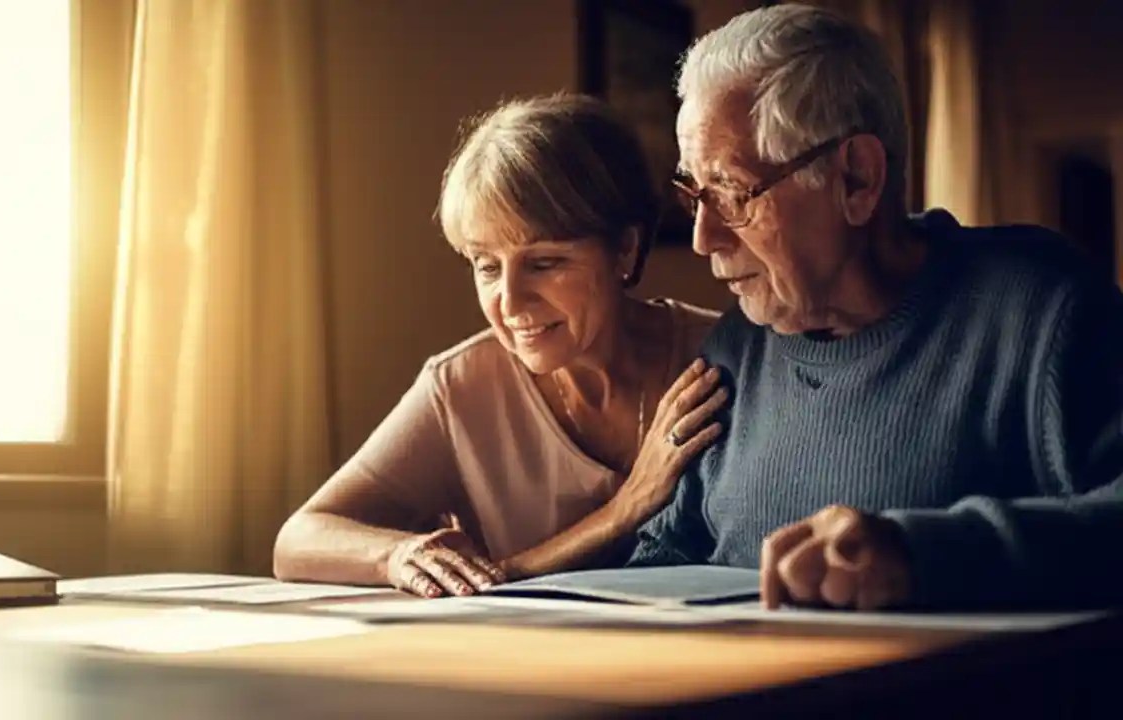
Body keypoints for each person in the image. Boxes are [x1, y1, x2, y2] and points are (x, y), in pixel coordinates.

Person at [631, 4, 1123, 611]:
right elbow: (658, 567)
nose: (704, 238)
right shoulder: (733, 353)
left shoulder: (1043, 310)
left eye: (732, 193)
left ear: (857, 179)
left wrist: (922, 553)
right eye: (693, 196)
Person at [274, 94, 727, 597]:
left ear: (624, 248)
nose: (509, 301)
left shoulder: (724, 357)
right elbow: (298, 539)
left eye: (544, 263)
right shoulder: (460, 388)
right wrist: (398, 554)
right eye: (487, 266)